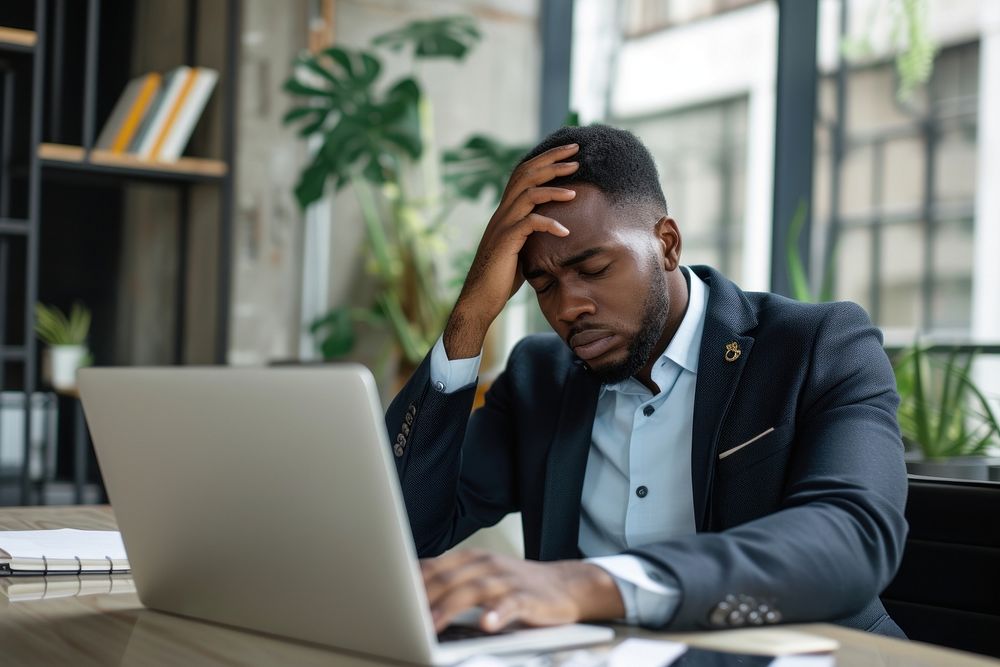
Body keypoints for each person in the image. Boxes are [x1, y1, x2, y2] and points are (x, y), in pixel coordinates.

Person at [385, 124, 908, 638]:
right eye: (543, 285)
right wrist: (471, 316)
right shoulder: (538, 379)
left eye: (593, 268)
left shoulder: (817, 346)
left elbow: (854, 539)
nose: (569, 307)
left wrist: (592, 586)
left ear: (667, 244)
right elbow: (405, 529)